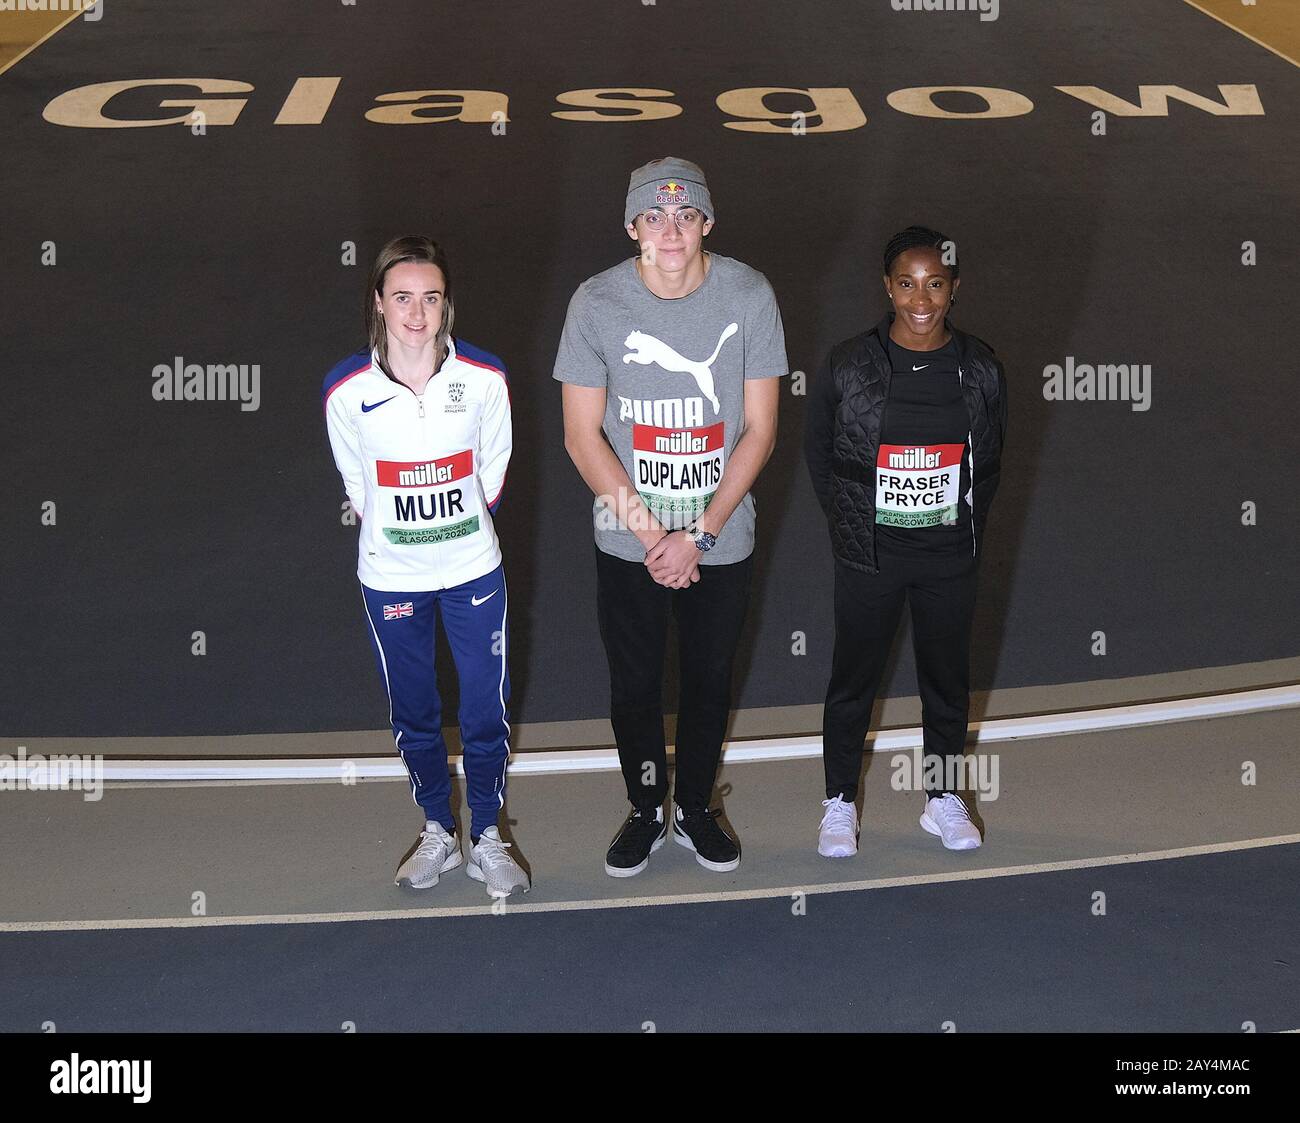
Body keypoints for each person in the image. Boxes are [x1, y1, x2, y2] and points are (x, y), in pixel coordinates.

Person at [555, 157, 788, 877]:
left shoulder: (749, 296)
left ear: (708, 222)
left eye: (687, 216)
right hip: (631, 543)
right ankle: (645, 806)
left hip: (720, 536)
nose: (672, 232)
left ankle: (693, 807)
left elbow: (760, 428)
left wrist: (703, 532)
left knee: (709, 678)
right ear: (631, 227)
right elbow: (580, 435)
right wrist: (657, 537)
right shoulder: (596, 303)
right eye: (654, 217)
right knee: (634, 682)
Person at [322, 235, 528, 898]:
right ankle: (439, 827)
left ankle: (489, 833)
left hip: (473, 571)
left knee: (483, 709)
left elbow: (490, 474)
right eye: (403, 297)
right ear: (379, 303)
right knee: (413, 709)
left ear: (446, 306)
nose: (417, 312)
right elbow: (359, 484)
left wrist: (452, 529)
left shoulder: (486, 379)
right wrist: (404, 536)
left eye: (430, 298)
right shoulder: (346, 390)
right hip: (391, 580)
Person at [804, 225, 1009, 857]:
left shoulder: (981, 369)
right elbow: (822, 455)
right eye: (907, 283)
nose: (922, 299)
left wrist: (956, 527)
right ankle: (839, 800)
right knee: (853, 680)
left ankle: (942, 798)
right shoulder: (848, 365)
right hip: (871, 556)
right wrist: (853, 529)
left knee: (946, 680)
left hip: (949, 556)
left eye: (936, 284)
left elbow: (991, 462)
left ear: (954, 288)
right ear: (887, 287)